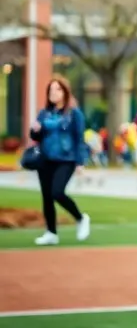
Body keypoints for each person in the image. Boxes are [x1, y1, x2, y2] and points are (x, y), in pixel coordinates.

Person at [29, 76, 90, 246]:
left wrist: (80, 162)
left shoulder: (74, 113)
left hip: (66, 159)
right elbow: (35, 137)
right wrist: (35, 130)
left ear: (65, 92)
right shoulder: (44, 113)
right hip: (45, 159)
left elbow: (79, 138)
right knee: (47, 197)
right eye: (51, 90)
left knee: (57, 192)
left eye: (57, 89)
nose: (53, 93)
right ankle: (51, 232)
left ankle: (81, 218)